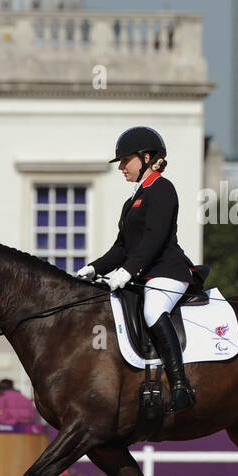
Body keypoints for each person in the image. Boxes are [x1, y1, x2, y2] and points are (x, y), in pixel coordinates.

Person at [75, 126, 198, 413]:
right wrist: (91, 269)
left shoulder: (162, 189)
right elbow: (121, 248)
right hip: (143, 275)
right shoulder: (131, 201)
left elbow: (154, 238)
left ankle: (180, 385)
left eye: (125, 160)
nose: (120, 167)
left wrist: (127, 272)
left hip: (168, 273)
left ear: (145, 158)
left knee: (152, 310)